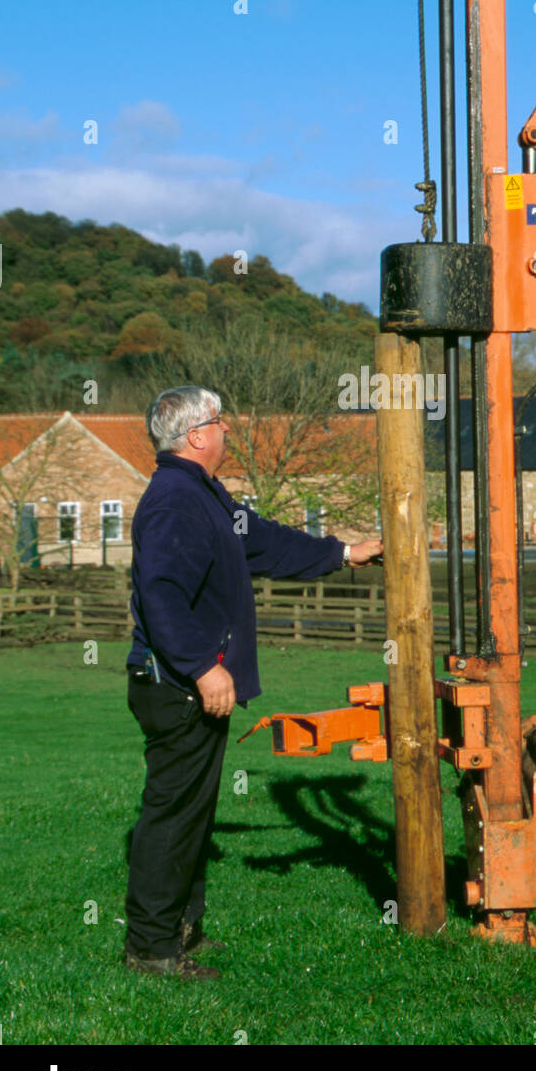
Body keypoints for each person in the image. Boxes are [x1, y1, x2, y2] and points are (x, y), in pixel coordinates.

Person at [124, 385, 382, 980]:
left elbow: (265, 541)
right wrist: (202, 665)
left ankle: (181, 929)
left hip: (190, 683)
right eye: (219, 422)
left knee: (192, 812)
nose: (228, 431)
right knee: (171, 814)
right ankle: (151, 950)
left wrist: (343, 552)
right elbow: (160, 594)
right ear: (194, 436)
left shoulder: (204, 495)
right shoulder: (173, 500)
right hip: (176, 685)